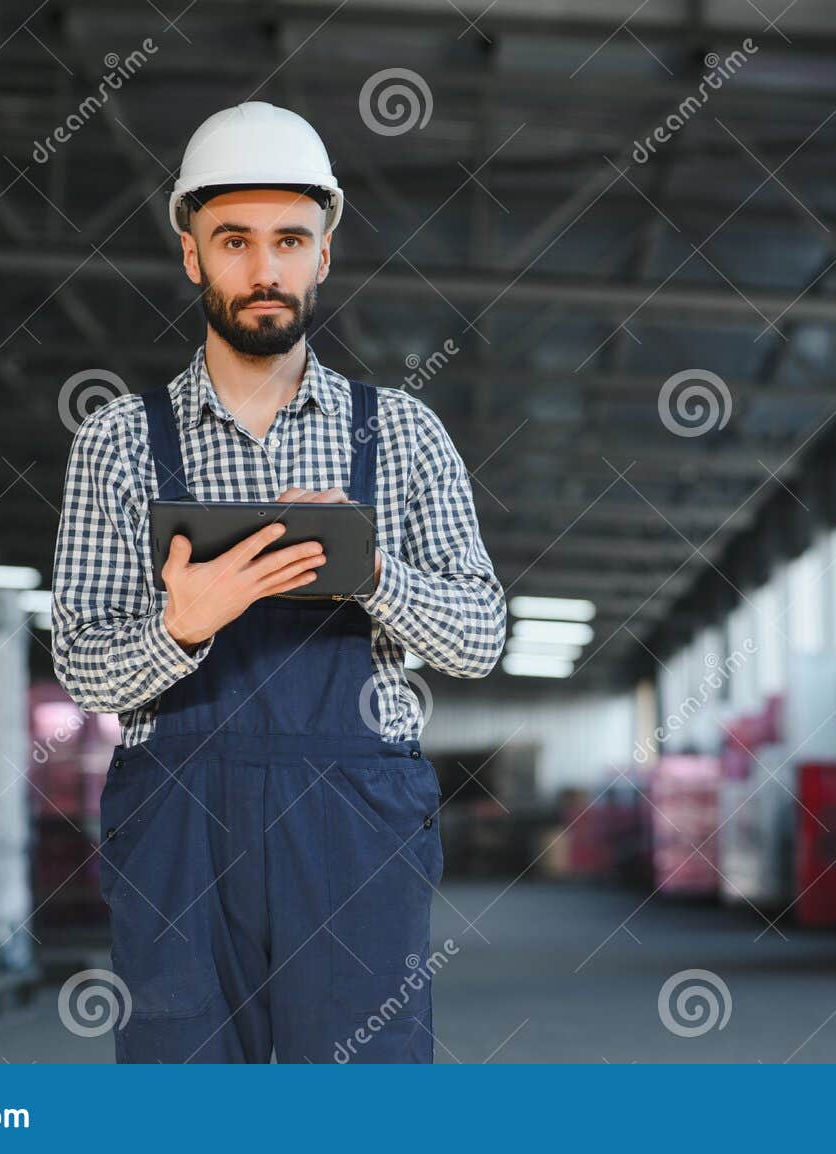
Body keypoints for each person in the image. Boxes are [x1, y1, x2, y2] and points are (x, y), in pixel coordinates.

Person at [49, 101, 506, 1063]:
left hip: (352, 829)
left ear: (325, 254)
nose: (264, 270)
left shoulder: (403, 436)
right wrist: (179, 629)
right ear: (191, 256)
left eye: (290, 240)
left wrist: (376, 573)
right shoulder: (120, 444)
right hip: (181, 831)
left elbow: (478, 637)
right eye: (235, 241)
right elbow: (85, 669)